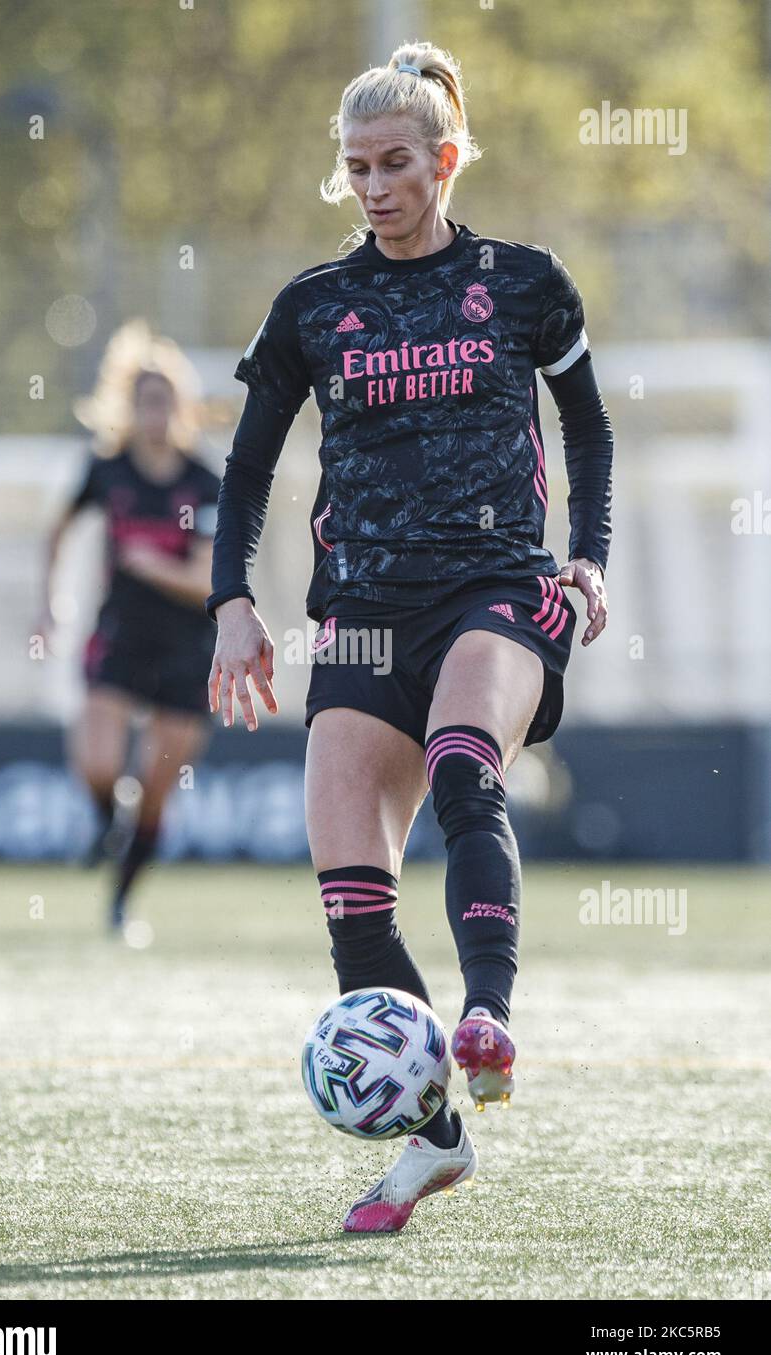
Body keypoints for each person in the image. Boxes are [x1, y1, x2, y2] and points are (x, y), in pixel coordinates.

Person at [207, 42, 612, 1231]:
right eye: (355, 169)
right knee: (350, 897)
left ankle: (485, 1015)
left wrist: (585, 560)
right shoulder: (310, 307)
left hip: (495, 590)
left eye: (396, 164)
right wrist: (234, 600)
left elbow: (585, 431)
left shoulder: (525, 283)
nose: (375, 186)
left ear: (444, 160)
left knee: (460, 766)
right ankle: (431, 1142)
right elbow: (244, 466)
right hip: (363, 618)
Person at [41, 321, 219, 932]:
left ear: (181, 406)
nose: (156, 410)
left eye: (165, 398)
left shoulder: (203, 482)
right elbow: (59, 529)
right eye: (145, 399)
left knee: (155, 785)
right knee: (97, 763)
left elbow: (207, 579)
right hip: (118, 638)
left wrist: (150, 565)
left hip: (188, 648)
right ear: (130, 405)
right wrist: (49, 603)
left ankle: (120, 903)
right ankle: (102, 821)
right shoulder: (107, 471)